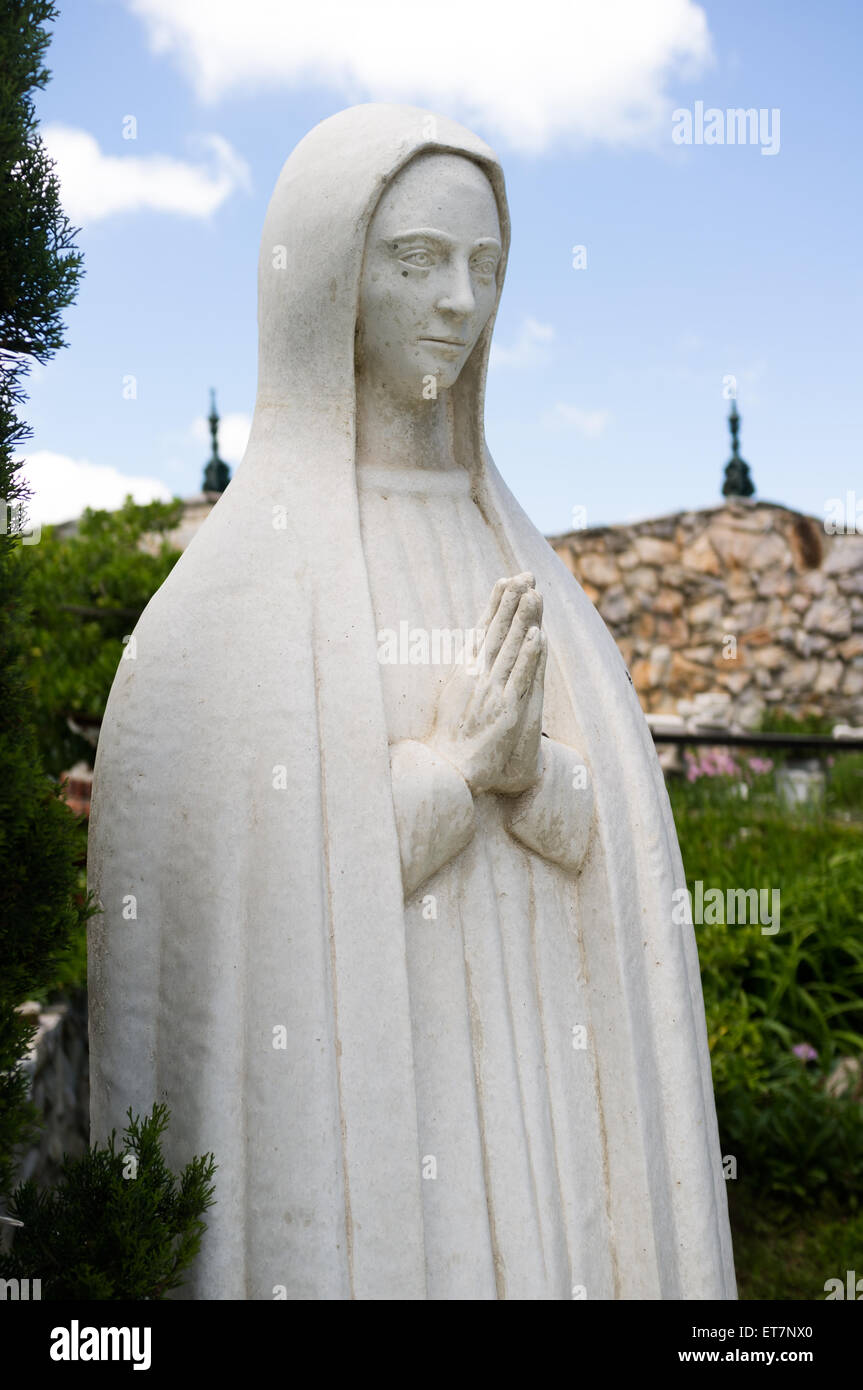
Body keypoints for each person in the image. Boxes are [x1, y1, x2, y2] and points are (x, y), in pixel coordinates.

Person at [88, 104, 736, 1300]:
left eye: (483, 266)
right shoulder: (236, 594)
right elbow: (251, 901)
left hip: (542, 1095)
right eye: (417, 261)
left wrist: (528, 775)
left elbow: (610, 847)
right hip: (362, 1134)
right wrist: (449, 773)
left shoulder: (521, 556)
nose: (457, 299)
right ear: (329, 277)